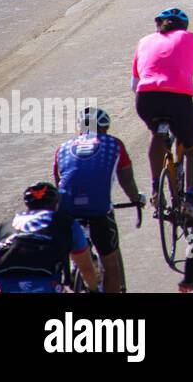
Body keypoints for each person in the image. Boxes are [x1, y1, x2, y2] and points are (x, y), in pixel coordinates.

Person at [132, 7, 193, 226]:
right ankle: (189, 199)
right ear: (183, 26)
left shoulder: (144, 41)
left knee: (156, 134)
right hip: (178, 101)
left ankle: (155, 189)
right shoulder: (189, 38)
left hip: (146, 99)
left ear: (159, 25)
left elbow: (134, 85)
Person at [52, 107, 145, 293]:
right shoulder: (114, 144)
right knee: (111, 265)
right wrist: (136, 199)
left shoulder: (62, 148)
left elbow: (59, 183)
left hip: (66, 208)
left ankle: (71, 269)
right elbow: (126, 179)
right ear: (105, 128)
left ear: (81, 128)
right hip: (98, 208)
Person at [0, 182, 99, 294]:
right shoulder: (67, 222)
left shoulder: (5, 225)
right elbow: (86, 268)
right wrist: (94, 290)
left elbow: (0, 257)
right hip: (45, 285)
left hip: (6, 285)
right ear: (56, 204)